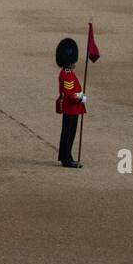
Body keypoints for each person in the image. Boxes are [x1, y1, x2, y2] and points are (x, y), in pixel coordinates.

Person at [54, 38, 86, 169]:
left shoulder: (68, 72)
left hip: (71, 107)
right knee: (68, 134)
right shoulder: (67, 74)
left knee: (67, 133)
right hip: (71, 107)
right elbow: (69, 92)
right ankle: (67, 159)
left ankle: (65, 156)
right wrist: (82, 98)